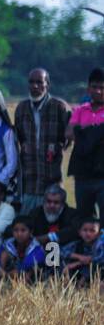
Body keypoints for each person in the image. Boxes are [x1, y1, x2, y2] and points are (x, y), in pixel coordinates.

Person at [12, 68, 71, 214]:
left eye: (39, 82)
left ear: (47, 85)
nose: (35, 86)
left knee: (51, 221)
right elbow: (19, 140)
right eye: (31, 82)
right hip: (29, 179)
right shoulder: (21, 108)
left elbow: (70, 137)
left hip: (51, 176)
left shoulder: (59, 107)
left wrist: (56, 148)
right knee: (26, 223)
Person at [65, 68, 104, 221]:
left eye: (102, 87)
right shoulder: (80, 110)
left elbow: (76, 133)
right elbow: (69, 133)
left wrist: (83, 132)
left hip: (103, 175)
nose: (99, 91)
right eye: (95, 87)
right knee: (84, 219)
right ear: (88, 89)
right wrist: (98, 134)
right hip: (83, 175)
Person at [0, 215, 46, 282]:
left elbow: (28, 264)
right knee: (4, 254)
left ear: (31, 232)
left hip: (25, 275)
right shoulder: (8, 243)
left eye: (23, 230)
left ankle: (22, 287)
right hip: (9, 272)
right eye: (16, 230)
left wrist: (11, 273)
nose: (19, 234)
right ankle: (1, 281)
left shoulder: (36, 247)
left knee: (32, 269)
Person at [27, 184, 80, 250]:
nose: (52, 205)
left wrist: (49, 237)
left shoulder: (72, 214)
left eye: (56, 202)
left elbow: (74, 230)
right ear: (44, 201)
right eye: (49, 201)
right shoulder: (35, 213)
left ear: (62, 203)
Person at [60, 216, 103, 285]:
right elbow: (61, 251)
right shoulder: (78, 244)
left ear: (99, 234)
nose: (88, 233)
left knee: (94, 267)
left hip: (94, 274)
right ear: (79, 232)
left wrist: (77, 263)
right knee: (63, 263)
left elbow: (98, 259)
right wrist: (79, 257)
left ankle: (82, 285)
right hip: (79, 271)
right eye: (85, 230)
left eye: (92, 231)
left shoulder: (100, 245)